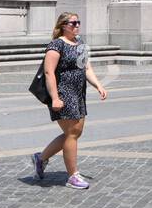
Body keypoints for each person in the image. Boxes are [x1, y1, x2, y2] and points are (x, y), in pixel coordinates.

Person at [33, 12, 107, 189]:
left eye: (78, 22)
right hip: (63, 93)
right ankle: (72, 175)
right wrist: (55, 98)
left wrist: (98, 85)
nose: (77, 26)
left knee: (74, 133)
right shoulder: (56, 45)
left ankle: (41, 158)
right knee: (72, 134)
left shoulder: (80, 43)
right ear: (63, 25)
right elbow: (49, 72)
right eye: (73, 23)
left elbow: (86, 67)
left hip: (78, 93)